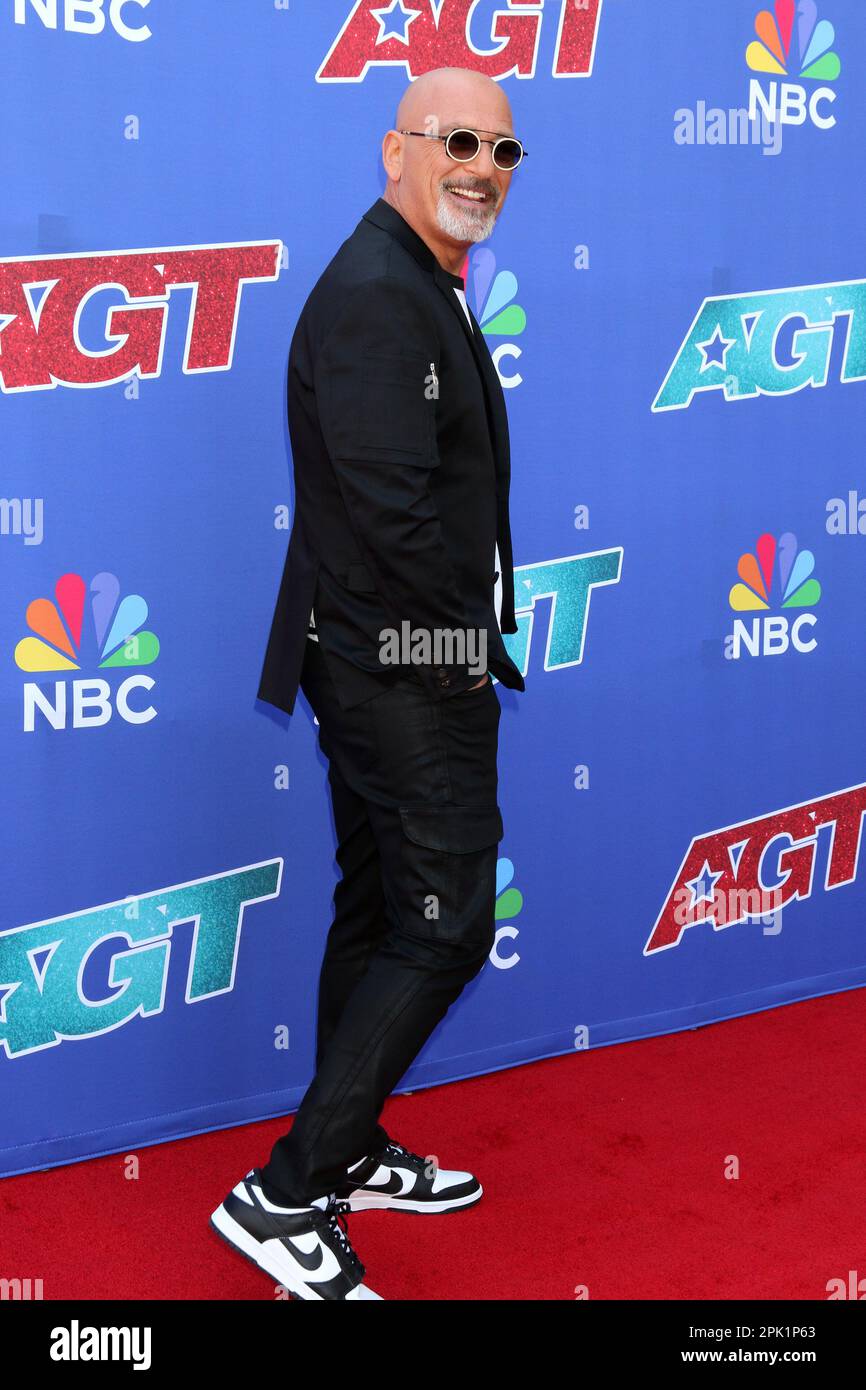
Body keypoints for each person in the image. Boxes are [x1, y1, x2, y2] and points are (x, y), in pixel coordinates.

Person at [211, 66, 526, 1301]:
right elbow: (395, 523)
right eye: (455, 141)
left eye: (501, 150)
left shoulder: (411, 281)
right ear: (390, 150)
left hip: (384, 660)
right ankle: (286, 1190)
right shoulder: (376, 301)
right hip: (402, 669)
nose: (480, 167)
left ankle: (343, 1148)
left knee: (381, 909)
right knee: (446, 924)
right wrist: (458, 667)